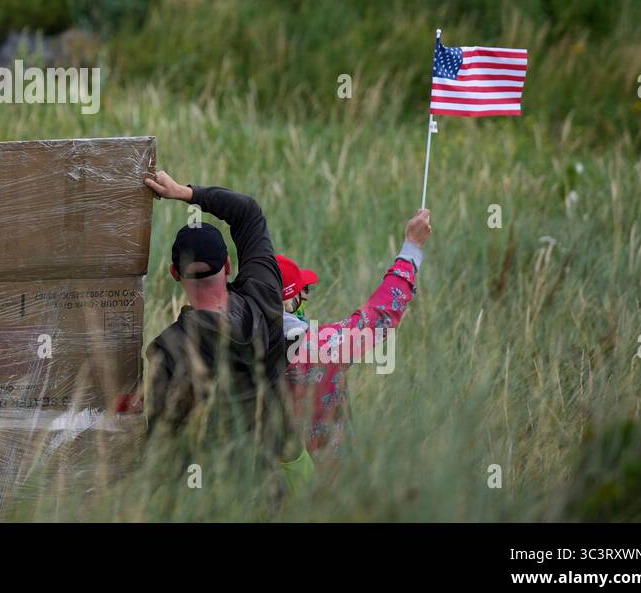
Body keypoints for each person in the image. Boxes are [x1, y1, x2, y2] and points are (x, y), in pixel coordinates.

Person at [141, 170, 294, 461]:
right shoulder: (264, 296)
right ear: (227, 264)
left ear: (175, 273)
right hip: (272, 472)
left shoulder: (170, 348)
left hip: (216, 487)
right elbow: (247, 213)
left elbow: (162, 442)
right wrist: (185, 193)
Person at [282, 209, 432, 453]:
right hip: (327, 475)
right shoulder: (316, 349)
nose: (307, 294)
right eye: (302, 290)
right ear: (288, 301)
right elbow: (380, 316)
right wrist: (412, 248)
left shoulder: (237, 333)